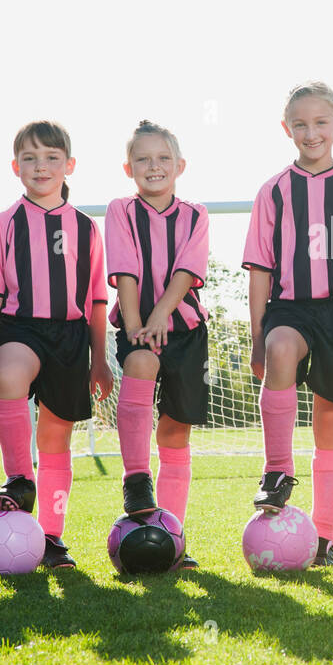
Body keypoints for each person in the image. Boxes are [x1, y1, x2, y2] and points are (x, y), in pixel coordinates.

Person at [242, 81, 333, 566]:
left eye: (321, 122)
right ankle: (277, 472)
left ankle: (323, 536)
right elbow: (259, 268)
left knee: (330, 420)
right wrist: (258, 336)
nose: (311, 132)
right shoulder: (274, 190)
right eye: (300, 123)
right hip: (290, 307)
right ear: (286, 129)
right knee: (280, 349)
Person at [0, 120, 113, 569]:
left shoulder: (86, 228)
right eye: (30, 158)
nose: (41, 166)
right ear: (16, 167)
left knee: (56, 441)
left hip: (71, 338)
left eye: (51, 157)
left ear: (69, 165)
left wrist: (98, 360)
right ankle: (19, 478)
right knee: (12, 374)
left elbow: (95, 299)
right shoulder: (3, 224)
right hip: (21, 328)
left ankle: (51, 538)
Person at [106, 120, 208, 569]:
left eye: (163, 158)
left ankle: (174, 537)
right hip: (136, 325)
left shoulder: (195, 215)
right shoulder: (121, 211)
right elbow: (125, 271)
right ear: (129, 167)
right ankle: (135, 479)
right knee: (142, 362)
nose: (154, 166)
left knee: (173, 431)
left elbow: (186, 272)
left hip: (183, 328)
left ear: (180, 165)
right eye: (143, 159)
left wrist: (160, 315)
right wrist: (135, 327)